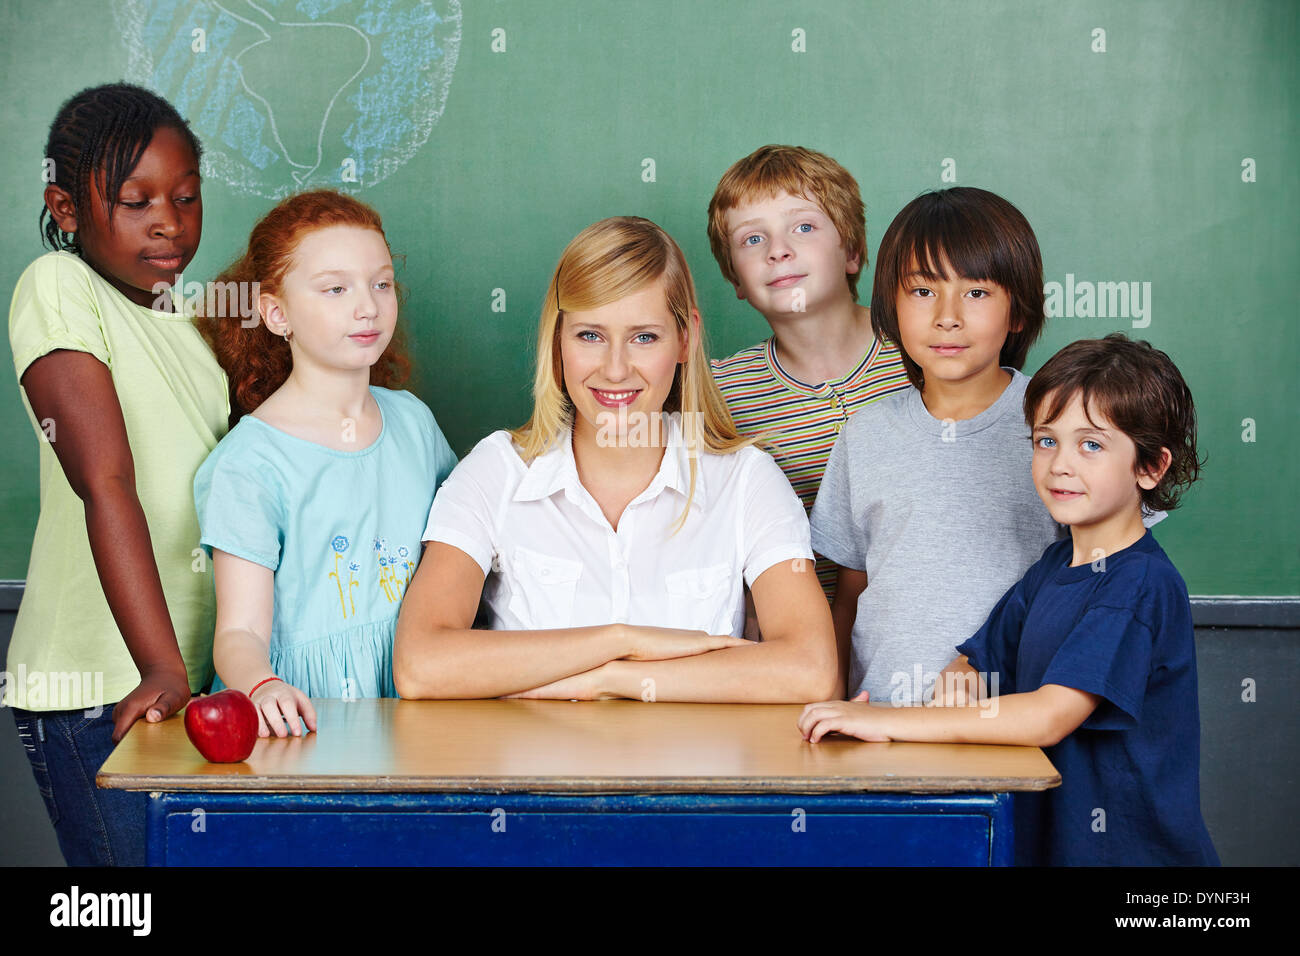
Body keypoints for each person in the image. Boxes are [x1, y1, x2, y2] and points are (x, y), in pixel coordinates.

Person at [799, 334, 1220, 866]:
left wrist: (887, 721)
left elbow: (1048, 716)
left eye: (1091, 444)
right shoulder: (1052, 567)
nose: (1061, 464)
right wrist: (959, 676)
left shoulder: (1138, 585)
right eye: (1047, 441)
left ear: (1150, 467)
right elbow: (977, 660)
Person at [394, 216, 836, 702]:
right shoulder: (498, 470)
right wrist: (620, 640)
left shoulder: (745, 479)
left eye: (644, 337)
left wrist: (612, 678)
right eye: (590, 335)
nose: (615, 369)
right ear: (557, 339)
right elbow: (420, 666)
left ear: (685, 338)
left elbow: (811, 671)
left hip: (696, 779)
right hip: (537, 779)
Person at [6, 83, 228, 865]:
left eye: (186, 197)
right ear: (65, 208)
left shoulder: (184, 324)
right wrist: (159, 665)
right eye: (136, 202)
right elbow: (105, 480)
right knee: (122, 912)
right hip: (108, 680)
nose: (168, 220)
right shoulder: (59, 285)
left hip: (187, 682)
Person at [193, 190, 457, 737]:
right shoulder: (249, 463)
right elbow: (239, 632)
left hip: (416, 706)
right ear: (275, 312)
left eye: (381, 283)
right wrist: (262, 686)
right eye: (335, 289)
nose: (367, 306)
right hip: (305, 720)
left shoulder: (414, 423)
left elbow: (462, 549)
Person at [809, 187, 1060, 702]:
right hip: (879, 725)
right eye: (923, 291)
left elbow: (1111, 567)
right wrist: (832, 700)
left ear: (1017, 310)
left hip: (1014, 726)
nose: (948, 315)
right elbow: (851, 592)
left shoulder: (1061, 422)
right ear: (891, 307)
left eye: (977, 292)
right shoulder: (866, 433)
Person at [707, 145, 910, 601]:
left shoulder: (924, 352)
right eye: (752, 239)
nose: (778, 251)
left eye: (804, 227)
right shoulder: (717, 393)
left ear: (852, 251)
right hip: (802, 651)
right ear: (735, 279)